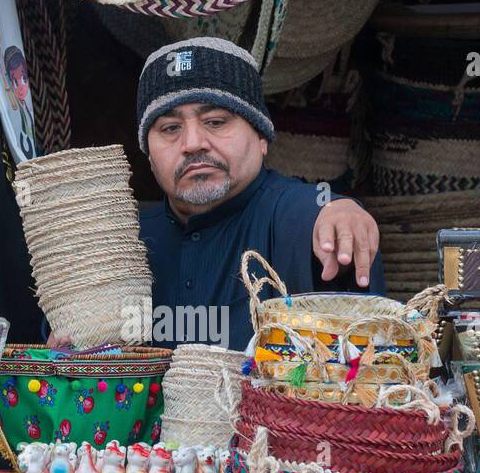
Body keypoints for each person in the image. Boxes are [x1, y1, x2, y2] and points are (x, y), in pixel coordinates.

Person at [136, 37, 384, 350]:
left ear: (262, 136)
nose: (193, 142)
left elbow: (322, 209)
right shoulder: (126, 245)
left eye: (215, 121)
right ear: (148, 154)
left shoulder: (291, 216)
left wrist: (344, 212)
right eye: (170, 128)